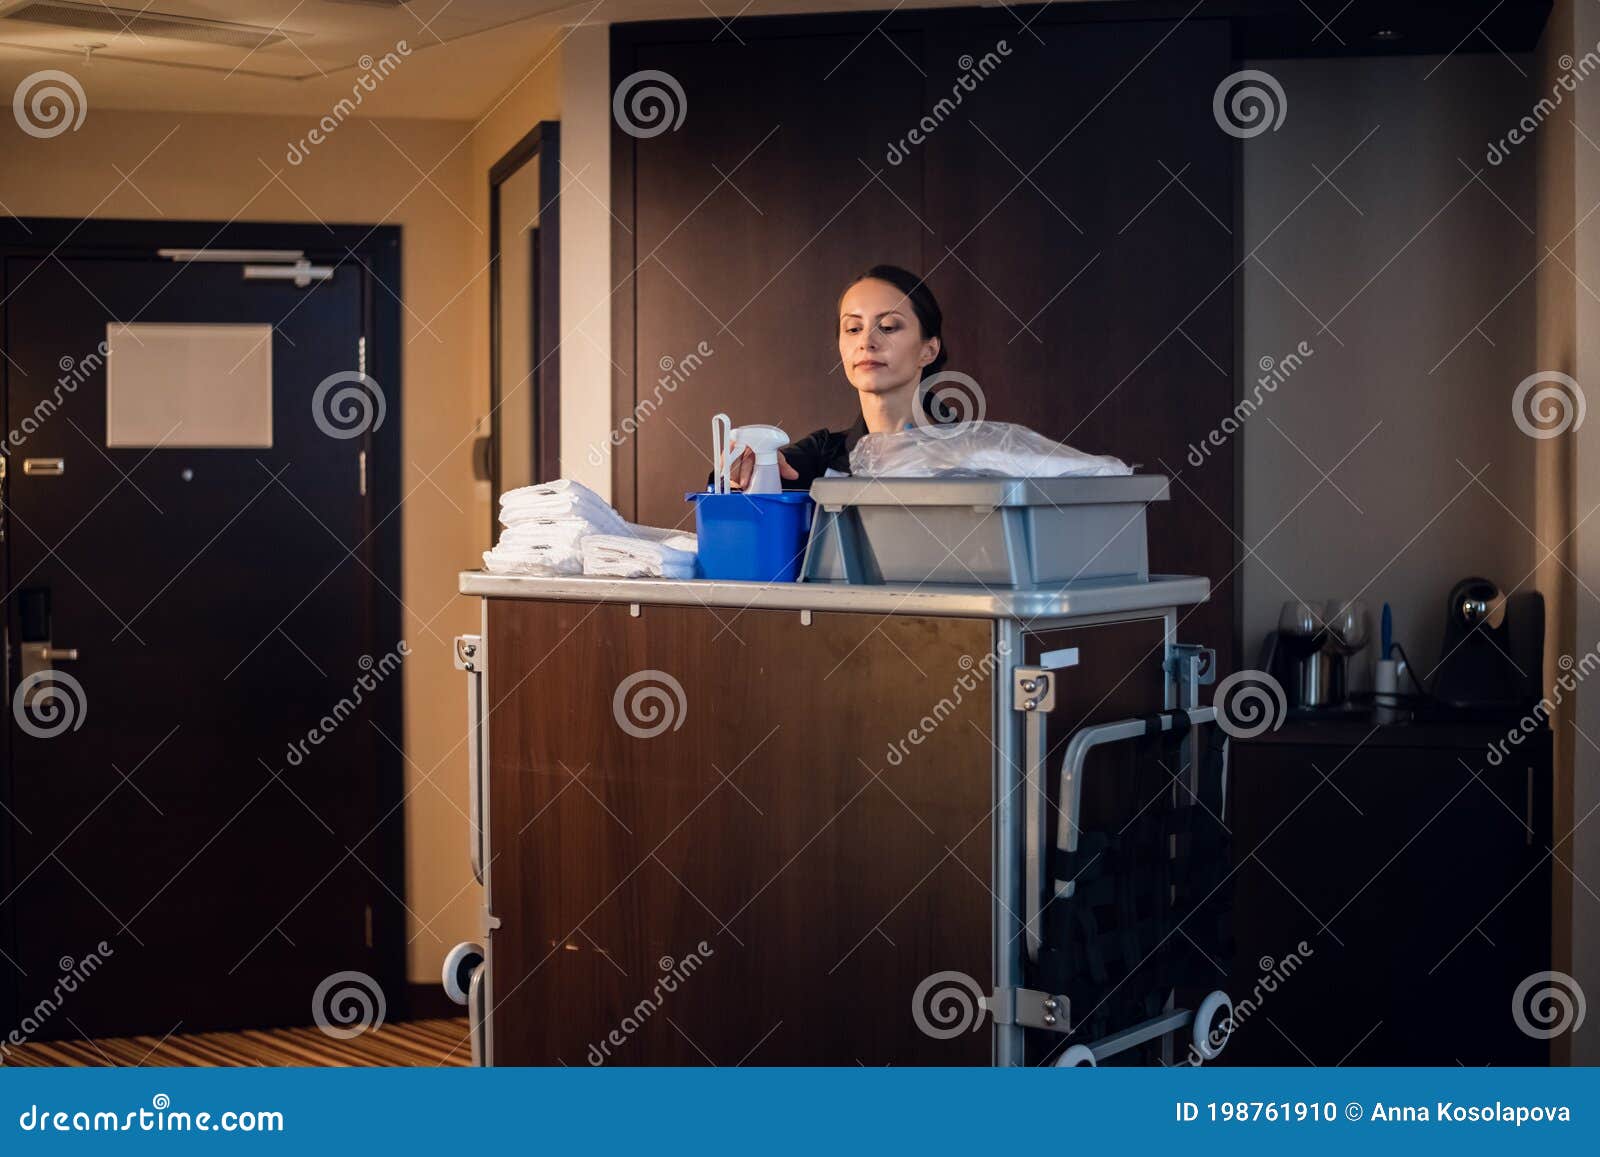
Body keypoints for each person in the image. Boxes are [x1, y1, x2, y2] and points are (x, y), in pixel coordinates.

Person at [726, 264, 948, 491]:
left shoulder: (970, 454)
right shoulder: (821, 457)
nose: (866, 342)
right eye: (853, 329)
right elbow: (730, 489)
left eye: (888, 327)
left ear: (928, 351)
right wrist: (745, 466)